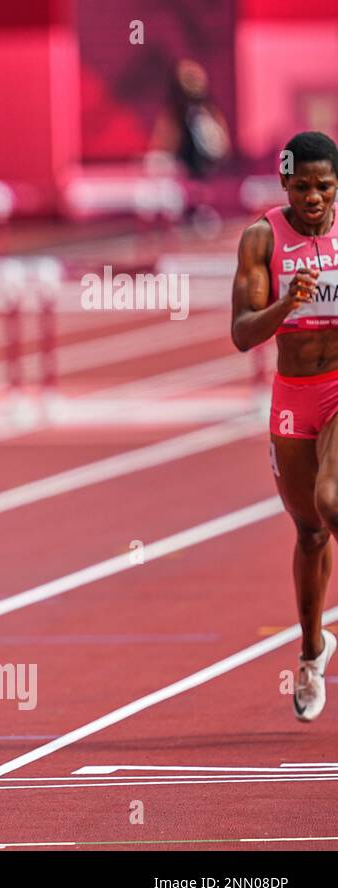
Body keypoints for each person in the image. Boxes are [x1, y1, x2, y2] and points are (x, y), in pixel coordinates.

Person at [231, 130, 338, 720]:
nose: (314, 199)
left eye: (324, 187)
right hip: (294, 395)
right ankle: (311, 649)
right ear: (284, 184)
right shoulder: (262, 238)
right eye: (302, 188)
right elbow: (243, 332)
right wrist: (285, 305)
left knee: (334, 501)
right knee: (310, 532)